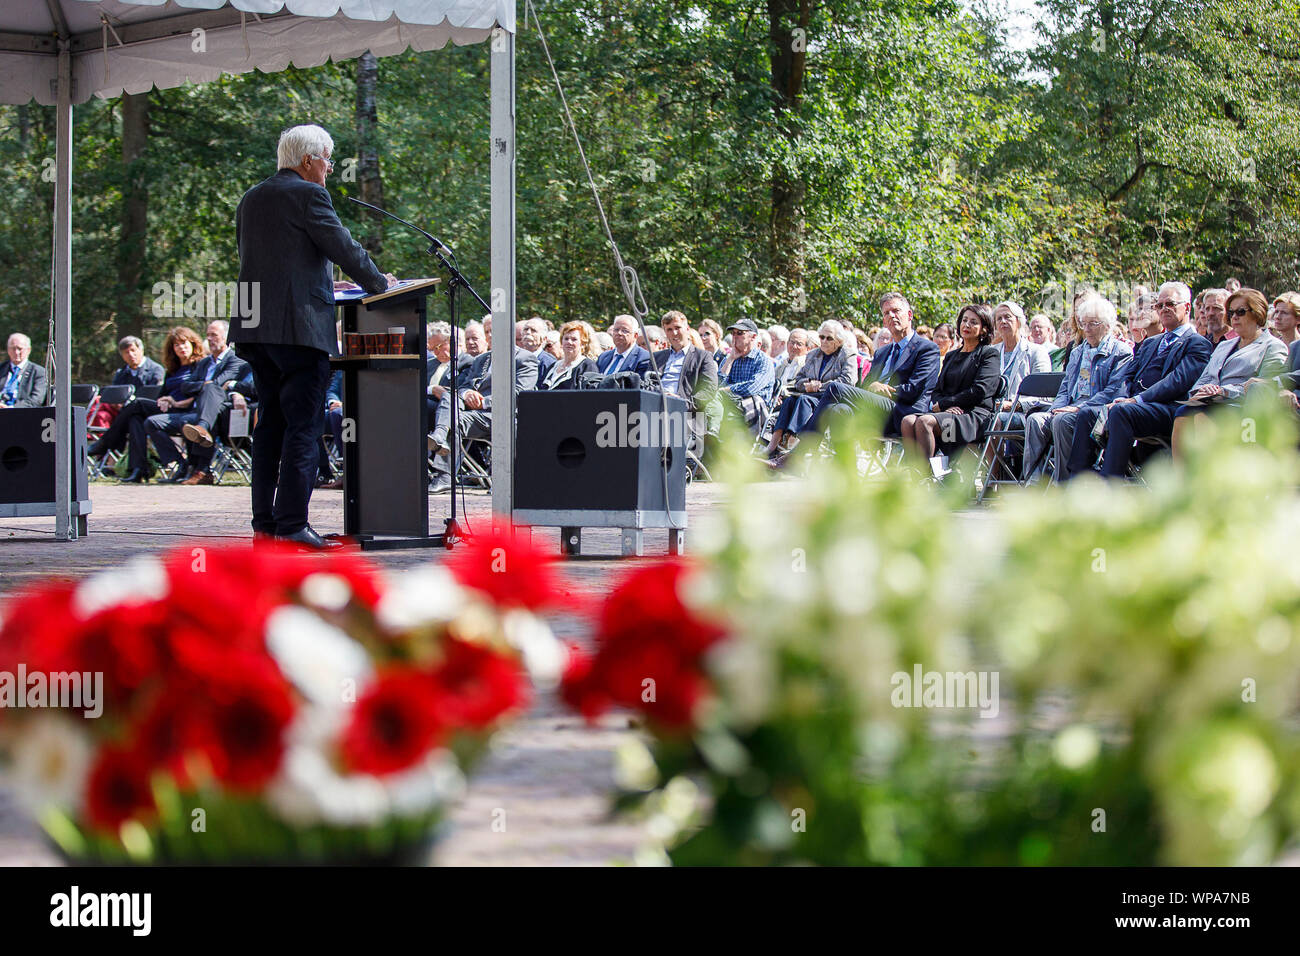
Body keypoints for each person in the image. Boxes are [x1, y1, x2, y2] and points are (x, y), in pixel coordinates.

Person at [228, 124, 394, 549]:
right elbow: (344, 247)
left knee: (269, 427)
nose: (329, 169)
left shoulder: (252, 197)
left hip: (257, 329)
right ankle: (293, 526)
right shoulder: (309, 194)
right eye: (327, 160)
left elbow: (268, 260)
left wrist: (322, 285)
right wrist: (380, 285)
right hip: (299, 331)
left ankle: (264, 526)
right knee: (304, 427)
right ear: (308, 160)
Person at [1021, 293, 1131, 482]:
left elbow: (1114, 391)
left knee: (1062, 421)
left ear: (1107, 324)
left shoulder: (1120, 352)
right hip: (1069, 406)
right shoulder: (1078, 351)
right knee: (1036, 420)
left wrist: (1077, 408)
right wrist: (1057, 407)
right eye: (1083, 323)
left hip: (1095, 409)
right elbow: (1065, 387)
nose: (1086, 329)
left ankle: (1064, 484)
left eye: (1092, 324)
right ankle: (1033, 484)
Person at [1171, 288, 1288, 457]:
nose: (1234, 317)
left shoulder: (1273, 346)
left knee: (1201, 415)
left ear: (1257, 313)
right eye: (1231, 312)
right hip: (1209, 402)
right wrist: (1200, 392)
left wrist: (1224, 391)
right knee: (1182, 413)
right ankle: (1181, 480)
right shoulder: (1224, 345)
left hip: (1241, 407)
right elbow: (1205, 378)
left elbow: (1264, 386)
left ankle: (1211, 478)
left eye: (1241, 312)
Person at [87, 326, 207, 482]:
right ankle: (138, 469)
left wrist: (176, 402)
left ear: (192, 344)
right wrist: (164, 399)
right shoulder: (172, 369)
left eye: (184, 343)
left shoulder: (200, 365)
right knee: (135, 418)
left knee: (137, 405)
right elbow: (163, 394)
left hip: (188, 410)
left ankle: (106, 443)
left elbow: (202, 393)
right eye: (176, 345)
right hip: (169, 409)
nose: (181, 348)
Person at [899, 304, 1000, 473]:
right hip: (950, 416)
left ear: (983, 329)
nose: (967, 325)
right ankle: (916, 474)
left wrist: (946, 404)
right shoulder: (952, 355)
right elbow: (937, 389)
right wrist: (944, 405)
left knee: (925, 422)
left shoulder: (988, 354)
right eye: (964, 320)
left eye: (973, 322)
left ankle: (926, 478)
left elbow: (981, 390)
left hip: (974, 416)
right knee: (908, 421)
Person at [427, 342, 538, 494]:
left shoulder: (525, 359)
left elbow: (519, 393)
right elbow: (465, 386)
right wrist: (467, 394)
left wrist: (484, 402)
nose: (492, 335)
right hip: (473, 415)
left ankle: (440, 437)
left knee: (452, 416)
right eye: (488, 331)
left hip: (503, 416)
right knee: (451, 402)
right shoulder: (482, 359)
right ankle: (444, 470)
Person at [156, 319, 252, 483]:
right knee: (153, 422)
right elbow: (185, 387)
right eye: (207, 335)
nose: (209, 339)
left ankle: (202, 469)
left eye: (214, 335)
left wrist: (206, 386)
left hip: (223, 410)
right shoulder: (204, 362)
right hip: (199, 410)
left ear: (226, 337)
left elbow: (218, 384)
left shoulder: (236, 360)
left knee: (202, 404)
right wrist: (205, 385)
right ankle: (186, 465)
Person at [764, 321, 856, 458]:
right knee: (789, 401)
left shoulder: (847, 355)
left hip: (831, 399)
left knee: (803, 399)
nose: (824, 341)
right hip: (811, 395)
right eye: (821, 337)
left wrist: (820, 385)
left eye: (829, 338)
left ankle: (795, 444)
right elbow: (798, 379)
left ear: (838, 340)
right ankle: (775, 443)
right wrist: (807, 384)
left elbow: (848, 381)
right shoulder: (814, 354)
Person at [652, 310, 718, 454]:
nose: (674, 333)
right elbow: (647, 383)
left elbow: (709, 389)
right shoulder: (657, 357)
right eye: (669, 329)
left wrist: (682, 403)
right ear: (665, 333)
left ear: (687, 329)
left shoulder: (703, 357)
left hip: (686, 412)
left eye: (678, 328)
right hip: (654, 408)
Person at [717, 318, 775, 431]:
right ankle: (697, 443)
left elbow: (751, 388)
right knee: (700, 404)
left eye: (740, 333)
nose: (735, 337)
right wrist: (730, 359)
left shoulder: (763, 361)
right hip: (728, 401)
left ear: (753, 337)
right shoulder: (729, 358)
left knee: (717, 402)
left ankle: (711, 435)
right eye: (733, 333)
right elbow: (716, 384)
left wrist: (727, 390)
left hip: (753, 407)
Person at [537, 321, 598, 390]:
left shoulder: (587, 366)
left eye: (574, 339)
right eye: (566, 338)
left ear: (583, 344)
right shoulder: (553, 366)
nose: (569, 342)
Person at [0, 333, 48, 408]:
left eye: (20, 348)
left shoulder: (39, 372)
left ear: (28, 350)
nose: (16, 352)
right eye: (13, 348)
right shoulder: (2, 369)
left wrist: (11, 408)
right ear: (8, 349)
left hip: (22, 414)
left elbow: (36, 400)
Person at [520, 316, 556, 381]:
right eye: (526, 329)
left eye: (533, 330)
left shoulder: (549, 363)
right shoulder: (514, 358)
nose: (528, 332)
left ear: (544, 339)